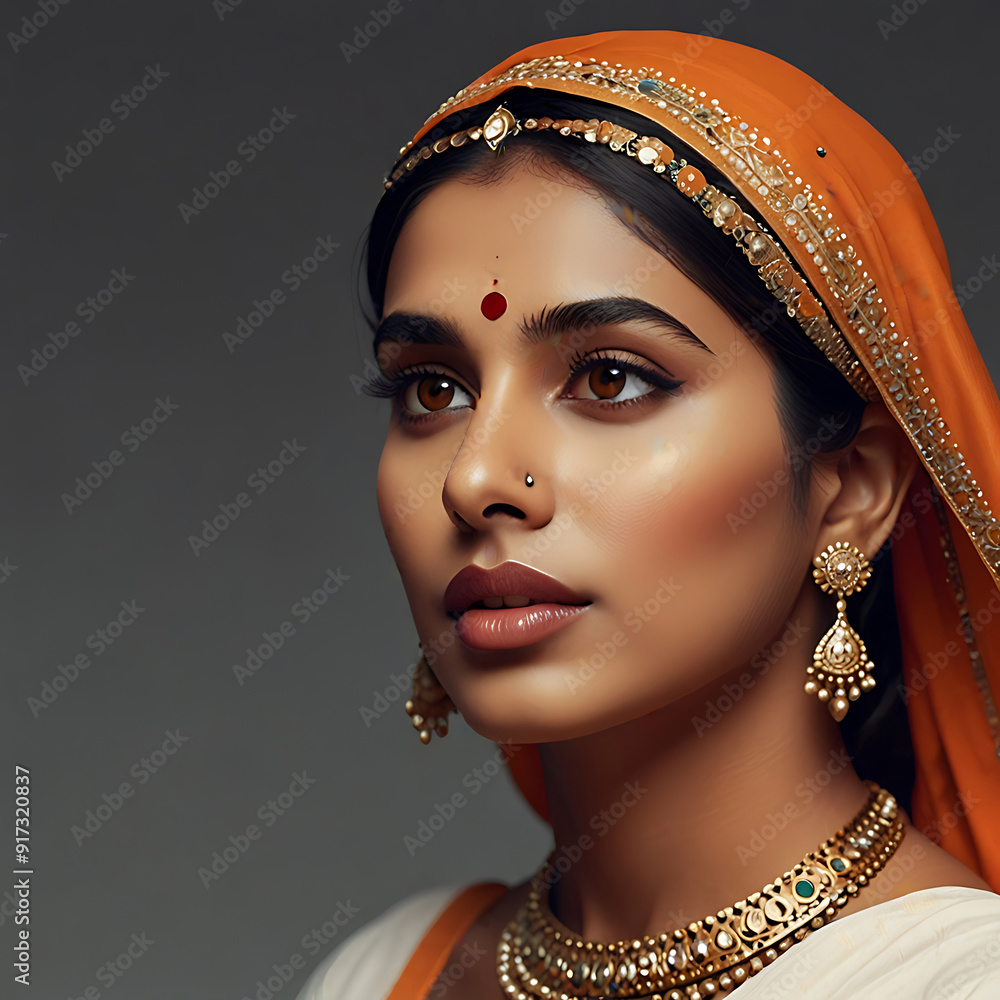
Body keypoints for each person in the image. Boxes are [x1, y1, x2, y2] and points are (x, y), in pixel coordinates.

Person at [298, 29, 1000, 1000]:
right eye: (431, 390)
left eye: (608, 377)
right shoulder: (382, 974)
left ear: (852, 488)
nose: (475, 478)